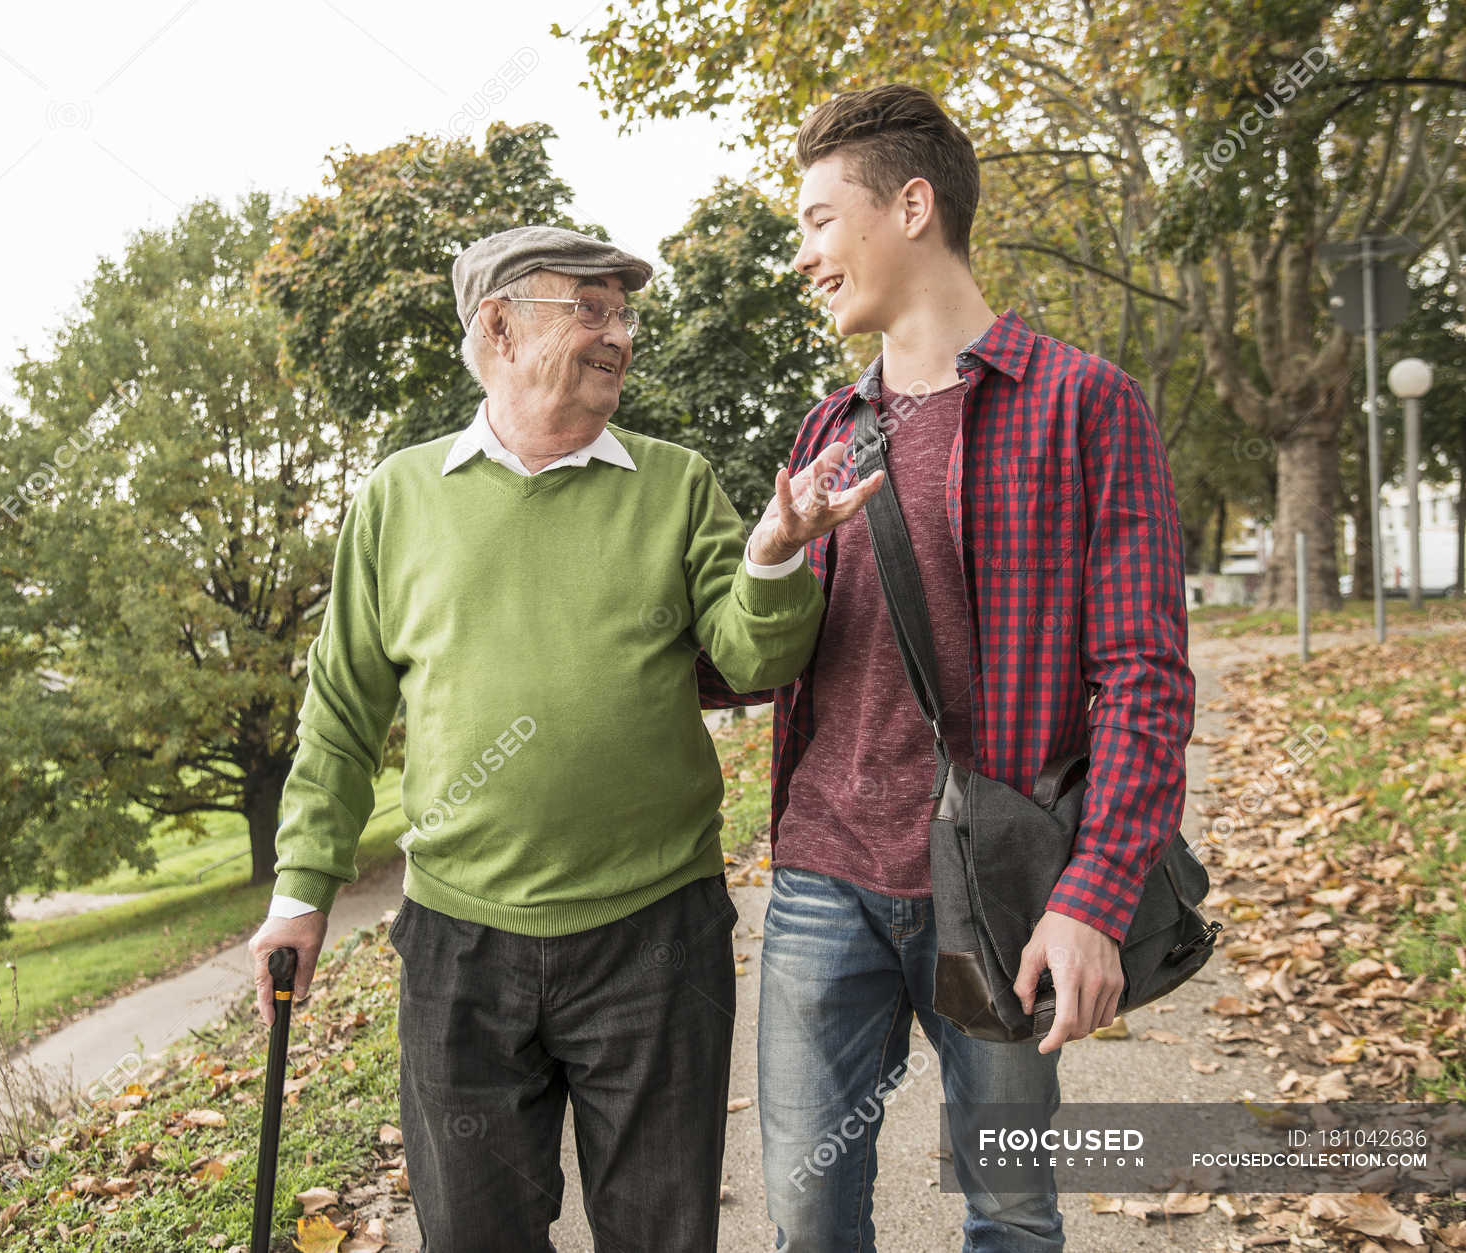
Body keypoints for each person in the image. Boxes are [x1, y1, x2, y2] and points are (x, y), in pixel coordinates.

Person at [247, 224, 884, 1252]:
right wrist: (300, 892)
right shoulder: (399, 499)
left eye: (625, 313)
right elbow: (342, 709)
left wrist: (773, 553)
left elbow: (757, 659)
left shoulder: (673, 483)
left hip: (655, 933)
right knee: (473, 1233)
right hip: (460, 940)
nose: (620, 335)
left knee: (661, 1231)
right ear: (497, 325)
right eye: (589, 309)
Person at [698, 86, 1196, 1250]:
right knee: (809, 1218)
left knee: (1011, 1209)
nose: (803, 255)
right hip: (824, 881)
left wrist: (1096, 896)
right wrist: (770, 557)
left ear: (912, 205)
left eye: (820, 220)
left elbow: (1143, 676)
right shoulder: (827, 432)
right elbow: (757, 664)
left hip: (1004, 890)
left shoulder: (1086, 405)